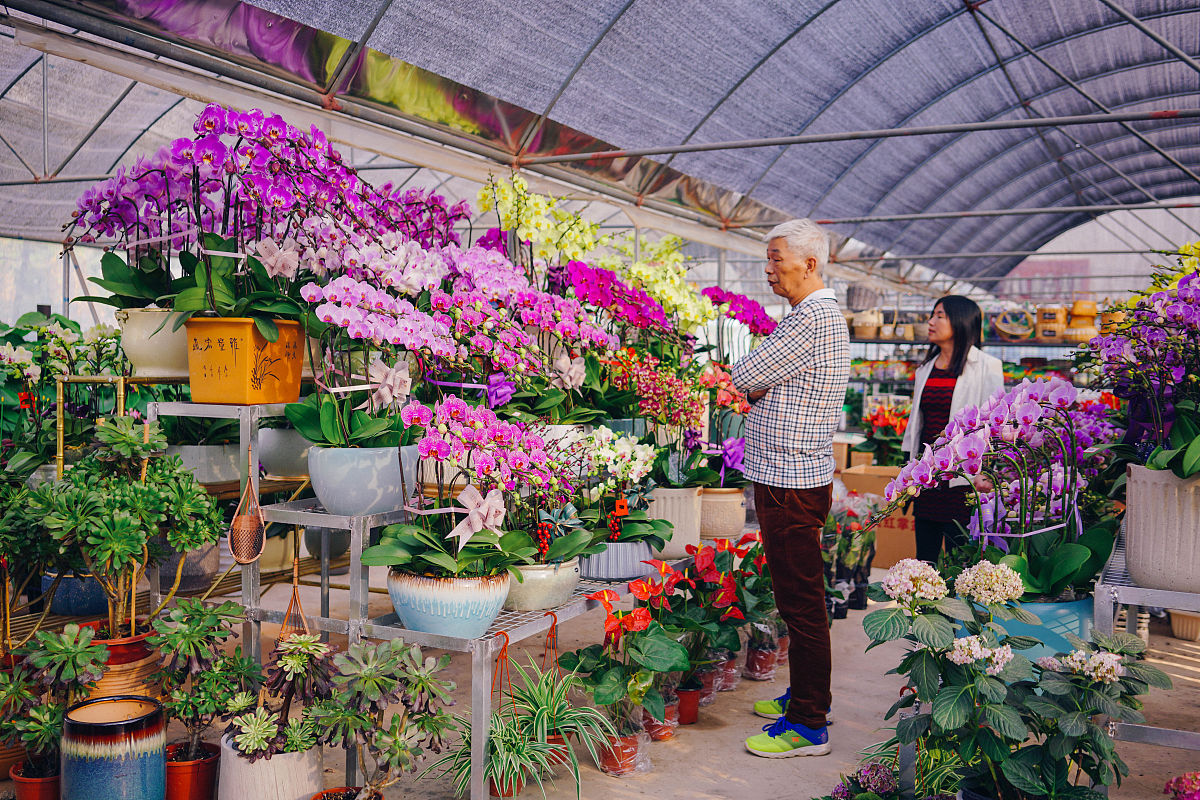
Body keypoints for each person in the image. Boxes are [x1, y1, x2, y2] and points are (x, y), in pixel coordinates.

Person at [731, 218, 849, 758]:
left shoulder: (814, 318)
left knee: (801, 604)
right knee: (796, 599)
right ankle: (805, 697)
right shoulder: (809, 316)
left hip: (790, 482)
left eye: (777, 257)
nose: (768, 267)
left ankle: (808, 725)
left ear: (809, 262)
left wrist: (742, 381)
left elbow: (746, 372)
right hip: (791, 477)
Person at [901, 295, 1003, 564]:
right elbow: (917, 423)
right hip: (928, 474)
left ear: (960, 322)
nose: (930, 322)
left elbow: (994, 424)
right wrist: (909, 467)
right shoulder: (926, 368)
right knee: (925, 556)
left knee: (960, 558)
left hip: (963, 478)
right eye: (932, 315)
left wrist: (987, 472)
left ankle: (955, 606)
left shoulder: (986, 366)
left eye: (939, 316)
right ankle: (923, 604)